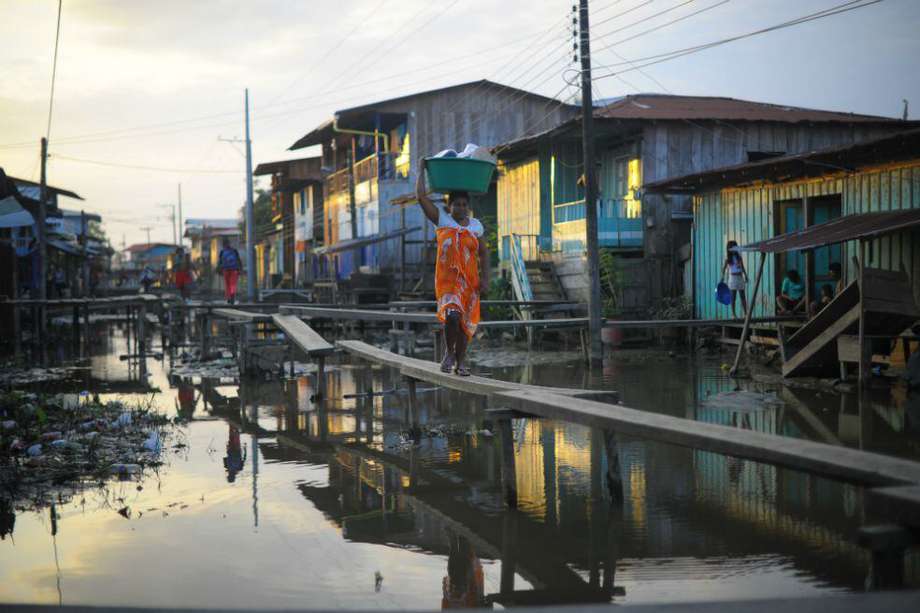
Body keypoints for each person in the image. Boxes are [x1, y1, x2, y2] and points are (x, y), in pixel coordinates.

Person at [416, 159, 489, 376]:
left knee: (466, 325)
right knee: (453, 316)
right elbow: (421, 197)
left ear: (469, 207)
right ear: (450, 206)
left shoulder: (476, 227)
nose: (461, 208)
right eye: (457, 204)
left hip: (470, 282)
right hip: (448, 282)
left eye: (464, 205)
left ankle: (461, 361)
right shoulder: (442, 220)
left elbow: (484, 254)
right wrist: (421, 170)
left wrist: (486, 279)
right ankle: (449, 352)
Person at [720, 240, 748, 317]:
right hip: (733, 278)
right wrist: (722, 277)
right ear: (729, 248)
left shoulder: (739, 256)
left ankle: (746, 313)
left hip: (740, 277)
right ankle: (733, 314)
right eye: (732, 247)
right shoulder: (728, 258)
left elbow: (742, 267)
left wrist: (745, 275)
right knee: (733, 296)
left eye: (735, 246)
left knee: (743, 296)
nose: (733, 248)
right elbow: (724, 268)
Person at [217, 238, 242, 305]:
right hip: (234, 270)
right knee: (233, 284)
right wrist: (240, 269)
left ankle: (229, 297)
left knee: (227, 284)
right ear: (229, 243)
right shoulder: (234, 250)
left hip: (225, 270)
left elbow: (219, 262)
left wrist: (219, 270)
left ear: (223, 245)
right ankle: (232, 295)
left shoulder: (222, 252)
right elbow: (239, 260)